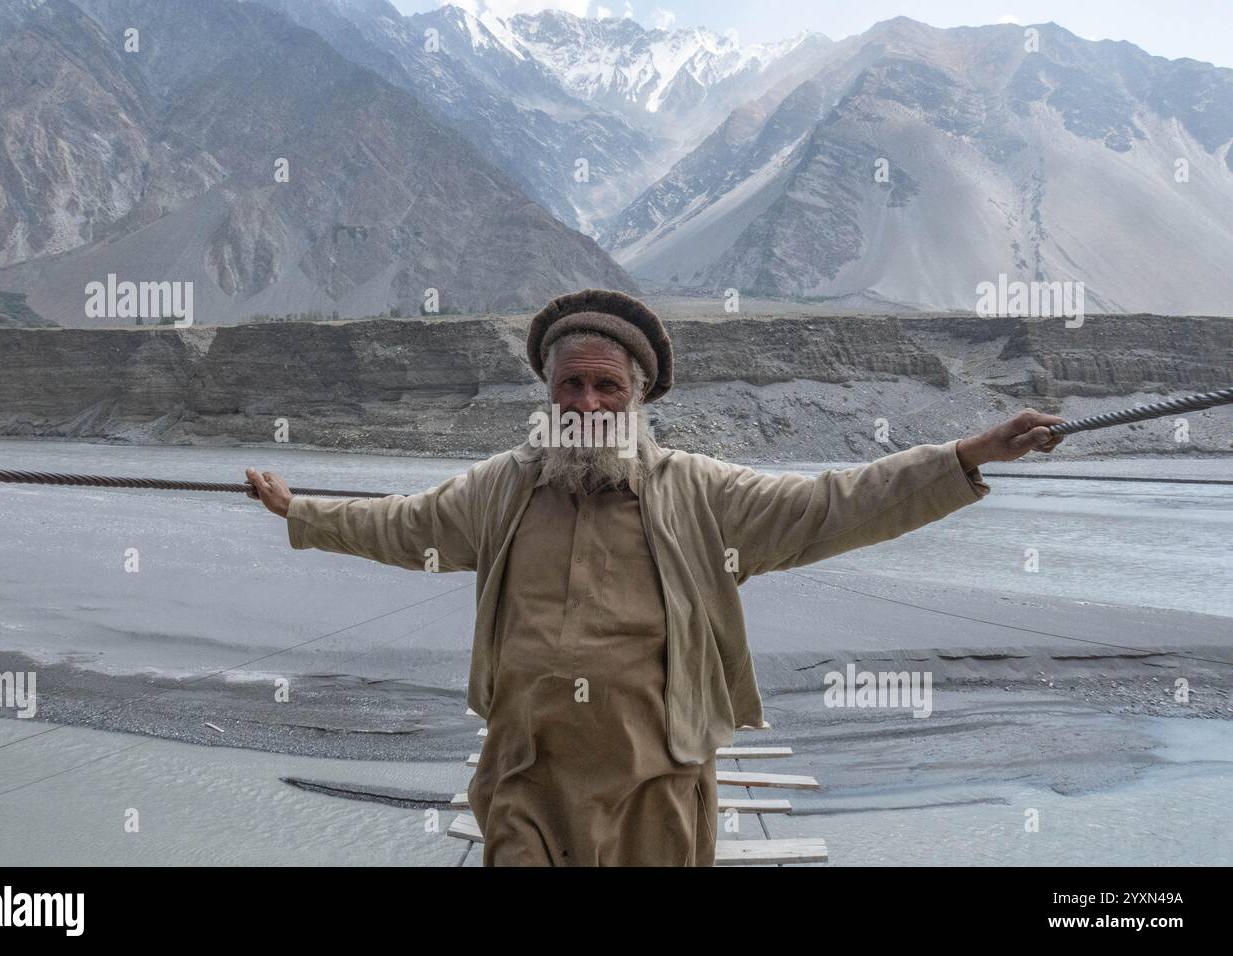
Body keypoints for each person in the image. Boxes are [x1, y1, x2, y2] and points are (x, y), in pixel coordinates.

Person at [245, 288, 1065, 866]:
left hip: (658, 783)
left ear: (640, 397)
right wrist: (300, 512)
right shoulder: (502, 486)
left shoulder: (701, 493)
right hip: (527, 774)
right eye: (574, 384)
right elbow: (404, 525)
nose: (590, 402)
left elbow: (831, 504)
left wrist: (966, 456)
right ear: (549, 392)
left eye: (609, 386)